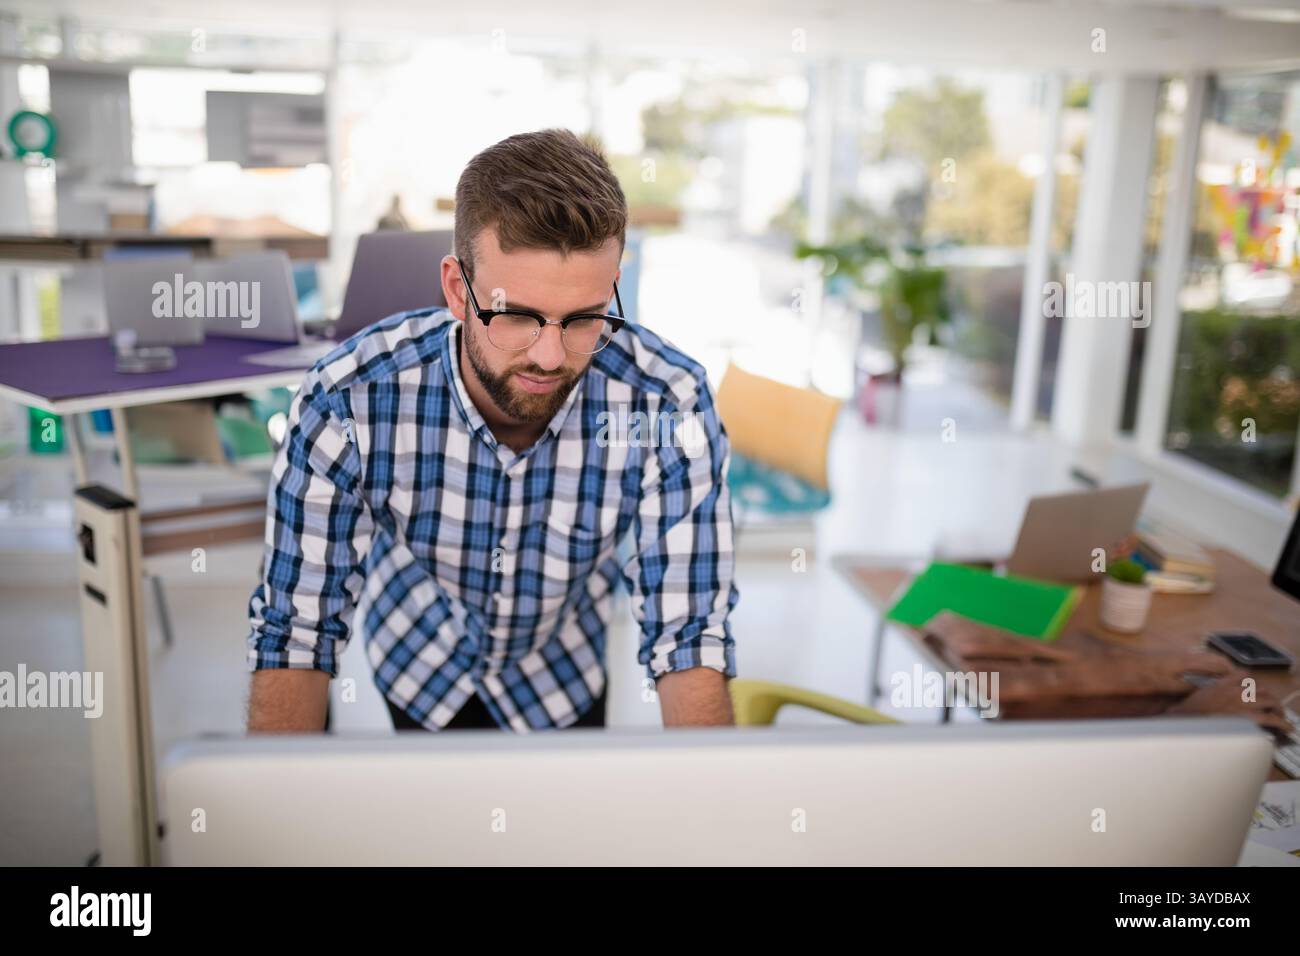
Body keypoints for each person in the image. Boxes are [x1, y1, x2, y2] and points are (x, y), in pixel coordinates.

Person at [246, 128, 738, 733]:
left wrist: (709, 805)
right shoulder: (348, 398)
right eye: (518, 317)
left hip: (562, 678)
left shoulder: (669, 404)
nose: (552, 357)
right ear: (458, 289)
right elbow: (297, 629)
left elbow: (688, 631)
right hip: (420, 659)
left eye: (584, 319)